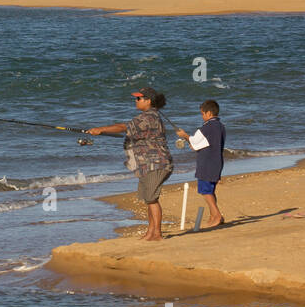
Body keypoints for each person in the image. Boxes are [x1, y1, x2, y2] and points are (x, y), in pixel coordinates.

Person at [86, 87, 173, 241]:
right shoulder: (150, 116)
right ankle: (150, 232)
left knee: (152, 199)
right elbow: (132, 132)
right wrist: (103, 131)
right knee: (149, 199)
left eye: (139, 98)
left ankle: (157, 234)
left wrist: (100, 129)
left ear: (148, 101)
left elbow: (123, 127)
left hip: (155, 163)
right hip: (148, 164)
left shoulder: (148, 117)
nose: (136, 101)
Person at [176, 99, 226, 229]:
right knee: (210, 190)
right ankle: (213, 216)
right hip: (217, 162)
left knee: (205, 191)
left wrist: (184, 135)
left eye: (202, 114)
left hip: (207, 163)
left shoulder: (206, 127)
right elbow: (203, 144)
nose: (202, 116)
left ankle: (217, 216)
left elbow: (193, 141)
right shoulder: (221, 126)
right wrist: (193, 143)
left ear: (208, 113)